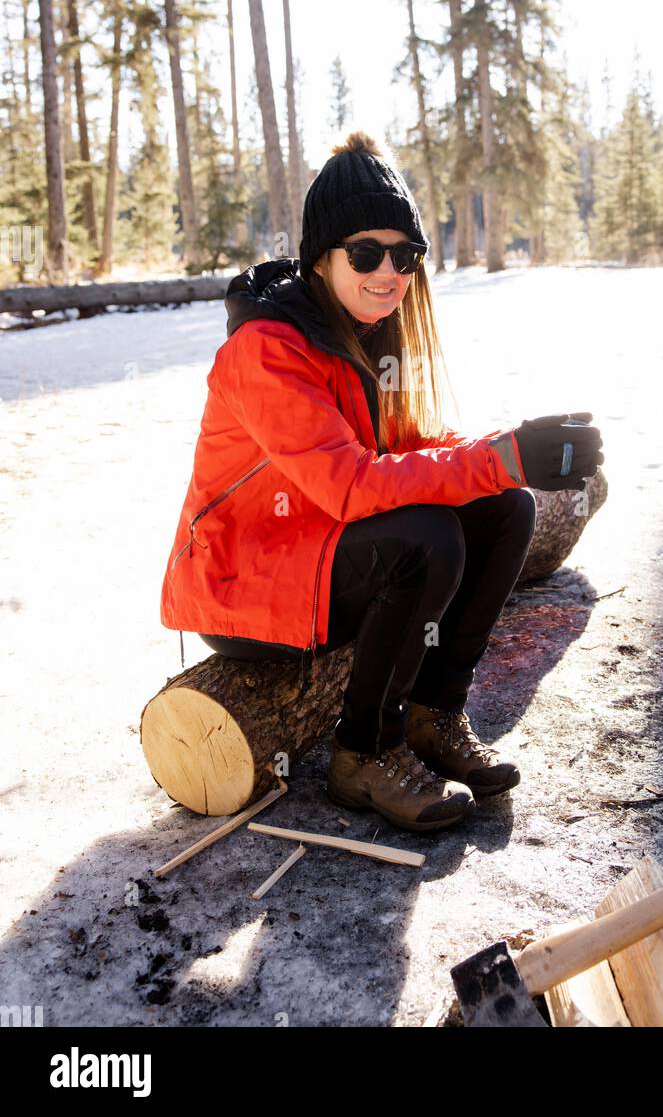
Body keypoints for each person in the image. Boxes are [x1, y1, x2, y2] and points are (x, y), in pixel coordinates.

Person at [159, 130, 604, 834]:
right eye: (366, 252)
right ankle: (365, 753)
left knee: (505, 509)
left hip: (315, 557)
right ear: (321, 258)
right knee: (424, 540)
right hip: (243, 587)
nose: (389, 271)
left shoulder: (363, 335)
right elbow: (346, 485)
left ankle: (433, 715)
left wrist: (511, 452)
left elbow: (411, 447)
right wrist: (502, 457)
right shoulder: (266, 350)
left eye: (405, 254)